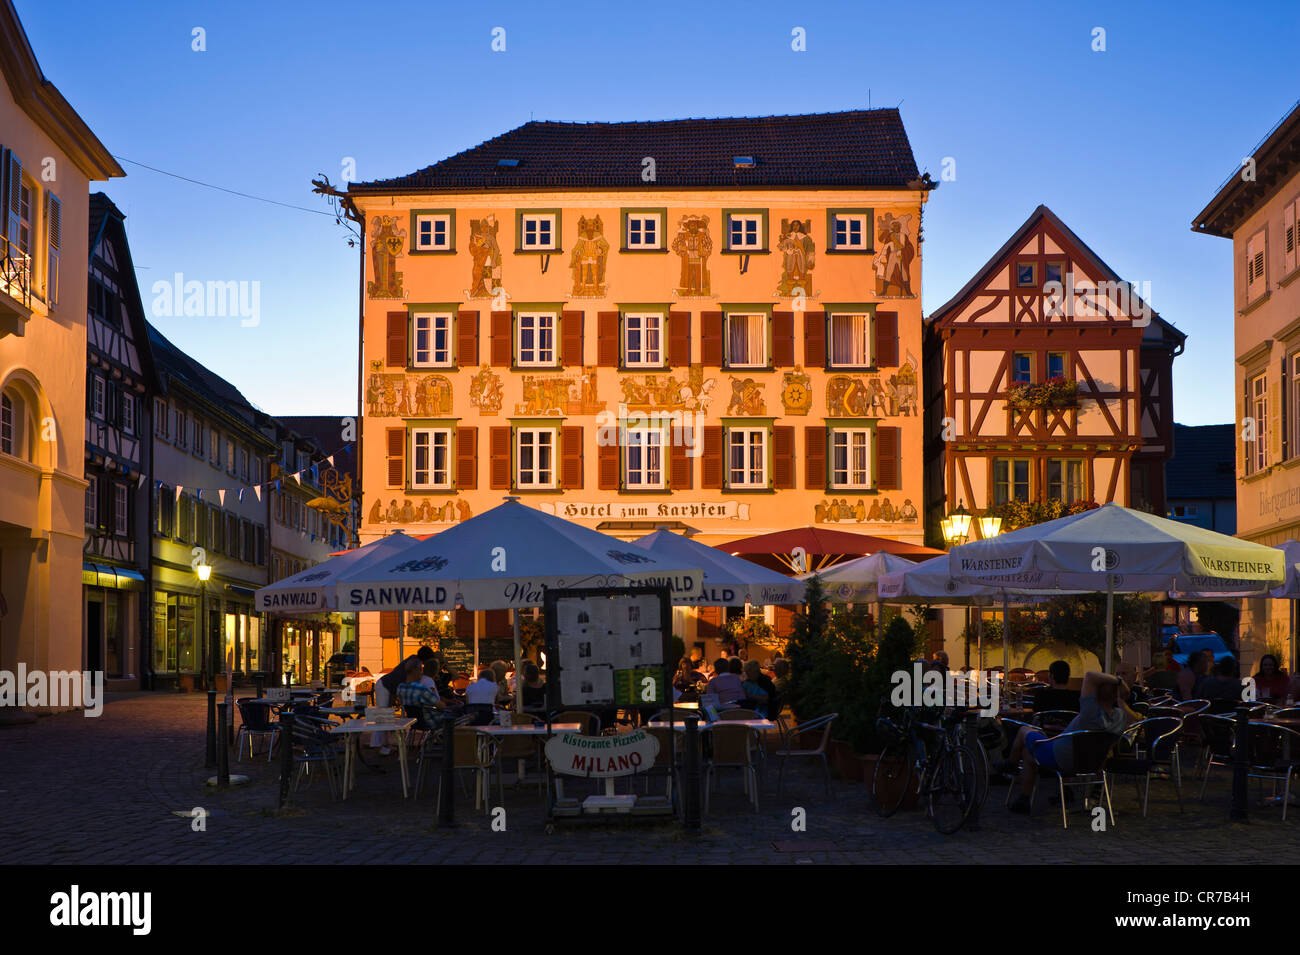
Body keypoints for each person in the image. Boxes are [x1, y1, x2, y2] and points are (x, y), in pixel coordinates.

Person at [1003, 671, 1138, 814]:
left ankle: (1010, 765)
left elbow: (1089, 676)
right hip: (1093, 764)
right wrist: (1121, 693)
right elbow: (1133, 720)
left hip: (1061, 757)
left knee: (1024, 730)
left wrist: (1118, 680)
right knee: (1028, 754)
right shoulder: (1120, 718)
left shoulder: (1089, 712)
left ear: (1095, 693)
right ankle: (1023, 799)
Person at [371, 655, 420, 753]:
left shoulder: (411, 662)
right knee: (382, 716)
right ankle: (377, 744)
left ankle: (384, 744)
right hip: (384, 686)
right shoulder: (412, 665)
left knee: (385, 716)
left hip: (385, 686)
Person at [395, 659, 448, 731]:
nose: (422, 672)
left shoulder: (400, 687)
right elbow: (441, 705)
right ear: (415, 670)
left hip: (413, 722)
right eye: (420, 669)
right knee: (457, 718)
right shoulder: (420, 690)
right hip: (430, 721)